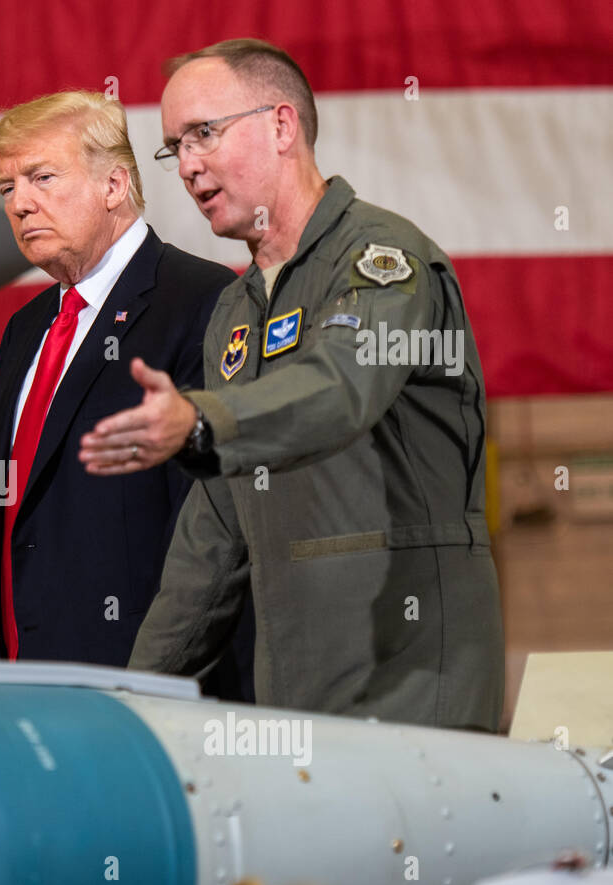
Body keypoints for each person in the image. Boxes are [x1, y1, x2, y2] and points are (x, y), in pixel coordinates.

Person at [80, 40, 503, 730]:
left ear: (282, 126)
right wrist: (134, 704)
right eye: (174, 147)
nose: (187, 165)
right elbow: (212, 542)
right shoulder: (234, 312)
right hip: (296, 695)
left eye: (204, 134)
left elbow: (340, 387)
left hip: (411, 680)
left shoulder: (382, 260)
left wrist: (201, 421)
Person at [0, 90, 251, 679]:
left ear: (114, 185)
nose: (21, 203)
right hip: (22, 682)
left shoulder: (205, 302)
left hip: (143, 685)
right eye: (7, 188)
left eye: (42, 177)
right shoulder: (24, 331)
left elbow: (214, 525)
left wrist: (163, 678)